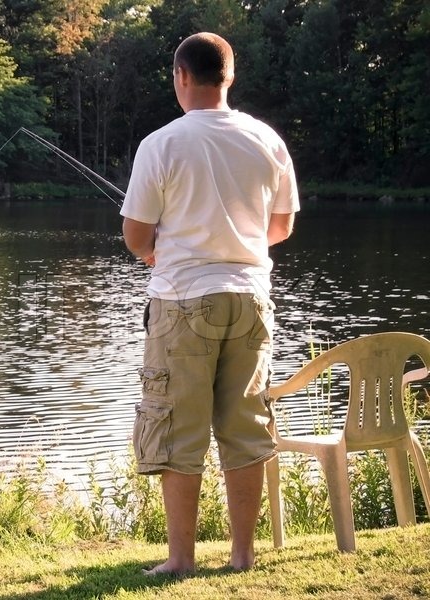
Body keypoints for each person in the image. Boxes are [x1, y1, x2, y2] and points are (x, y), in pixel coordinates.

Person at [120, 32, 299, 575]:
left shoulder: (162, 143)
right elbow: (282, 227)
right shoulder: (266, 139)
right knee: (245, 427)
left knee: (178, 429)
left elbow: (134, 234)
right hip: (250, 300)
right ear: (229, 76)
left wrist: (158, 253)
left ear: (181, 76)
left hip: (182, 302)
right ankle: (242, 556)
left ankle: (181, 561)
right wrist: (233, 251)